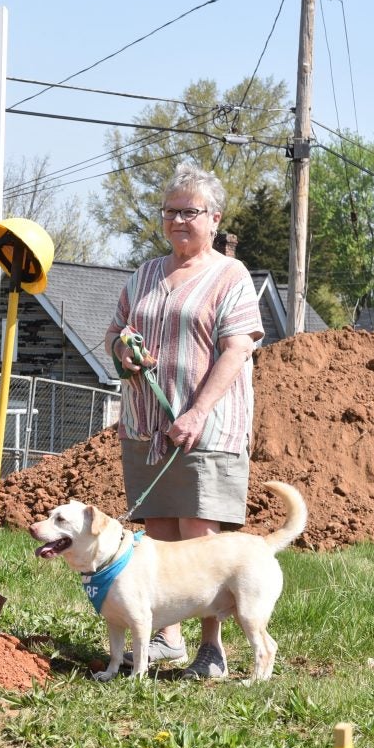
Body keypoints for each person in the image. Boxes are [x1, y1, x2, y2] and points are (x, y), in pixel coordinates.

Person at [107, 160, 264, 680]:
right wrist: (123, 354)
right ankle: (165, 637)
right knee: (156, 535)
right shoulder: (145, 274)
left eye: (189, 212)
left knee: (200, 538)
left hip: (208, 428)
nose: (178, 221)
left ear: (214, 219)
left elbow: (238, 347)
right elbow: (115, 333)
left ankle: (211, 648)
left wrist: (198, 411)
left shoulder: (230, 275)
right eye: (170, 212)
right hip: (148, 426)